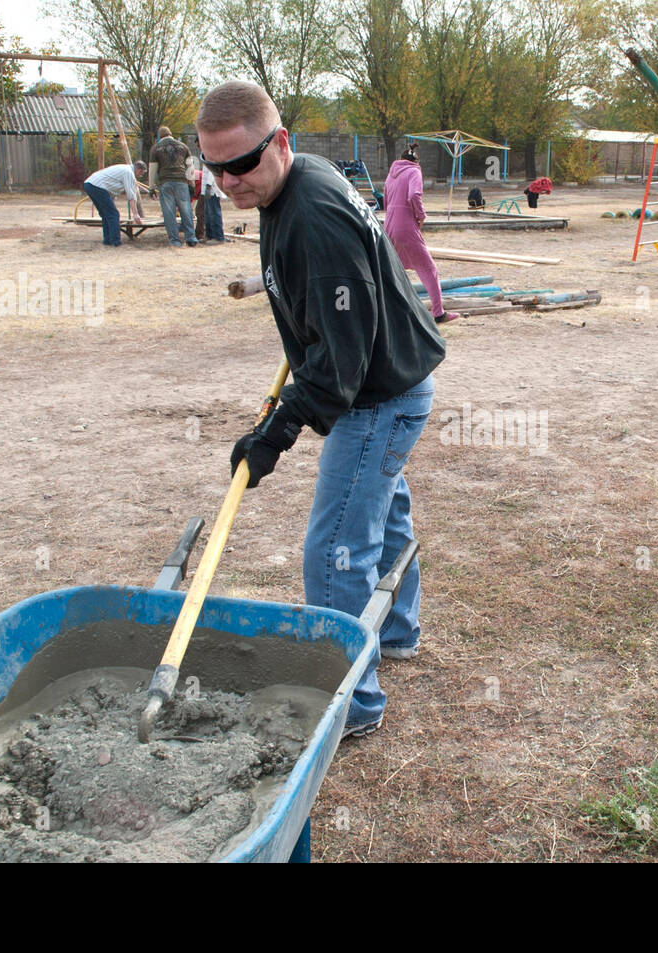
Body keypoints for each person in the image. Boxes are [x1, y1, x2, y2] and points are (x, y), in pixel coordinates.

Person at [196, 81, 447, 740]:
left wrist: (272, 434)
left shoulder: (312, 215)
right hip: (392, 376)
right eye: (215, 167)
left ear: (280, 142)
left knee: (334, 548)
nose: (229, 181)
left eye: (243, 163)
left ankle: (351, 705)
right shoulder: (295, 179)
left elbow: (338, 373)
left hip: (378, 398)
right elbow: (330, 337)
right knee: (383, 513)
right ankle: (396, 634)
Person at [384, 146, 459, 325]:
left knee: (394, 271)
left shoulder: (391, 174)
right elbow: (414, 194)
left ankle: (390, 311)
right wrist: (421, 215)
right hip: (406, 224)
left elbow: (386, 200)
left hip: (389, 224)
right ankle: (438, 313)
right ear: (416, 161)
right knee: (428, 269)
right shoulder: (413, 172)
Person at [151, 125, 197, 247]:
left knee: (169, 212)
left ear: (160, 136)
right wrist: (192, 184)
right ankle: (191, 238)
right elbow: (190, 166)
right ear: (170, 133)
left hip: (165, 183)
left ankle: (175, 240)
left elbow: (152, 168)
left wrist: (151, 187)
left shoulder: (156, 148)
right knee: (186, 210)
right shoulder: (184, 147)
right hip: (181, 181)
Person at [82, 160, 146, 246]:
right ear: (139, 170)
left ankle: (107, 240)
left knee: (106, 214)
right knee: (113, 214)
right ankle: (115, 242)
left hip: (89, 184)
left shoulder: (124, 168)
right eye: (141, 173)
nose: (140, 175)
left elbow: (111, 189)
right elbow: (131, 195)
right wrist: (135, 214)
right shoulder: (128, 173)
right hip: (97, 186)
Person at [193, 164, 228, 243]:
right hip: (206, 190)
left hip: (212, 190)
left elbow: (212, 171)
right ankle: (209, 235)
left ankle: (218, 237)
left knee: (214, 213)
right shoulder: (206, 155)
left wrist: (208, 185)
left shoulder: (211, 156)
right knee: (207, 214)